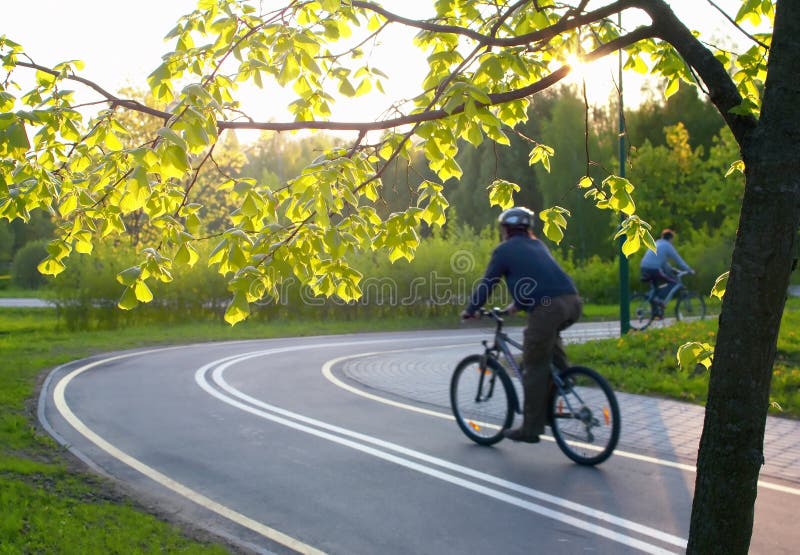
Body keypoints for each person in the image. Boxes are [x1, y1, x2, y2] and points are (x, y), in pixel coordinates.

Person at [461, 207, 582, 443]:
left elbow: (488, 283)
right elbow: (540, 279)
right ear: (528, 229)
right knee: (548, 345)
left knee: (533, 365)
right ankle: (563, 382)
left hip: (548, 308)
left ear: (505, 229)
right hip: (573, 302)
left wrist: (471, 309)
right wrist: (516, 305)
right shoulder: (538, 246)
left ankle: (530, 428)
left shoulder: (504, 250)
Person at [639, 229, 694, 316]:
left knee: (656, 289)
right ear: (671, 238)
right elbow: (678, 260)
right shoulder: (668, 246)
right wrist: (689, 270)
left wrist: (672, 270)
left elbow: (663, 263)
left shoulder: (657, 243)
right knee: (673, 282)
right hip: (653, 269)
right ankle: (660, 300)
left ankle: (656, 312)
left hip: (644, 267)